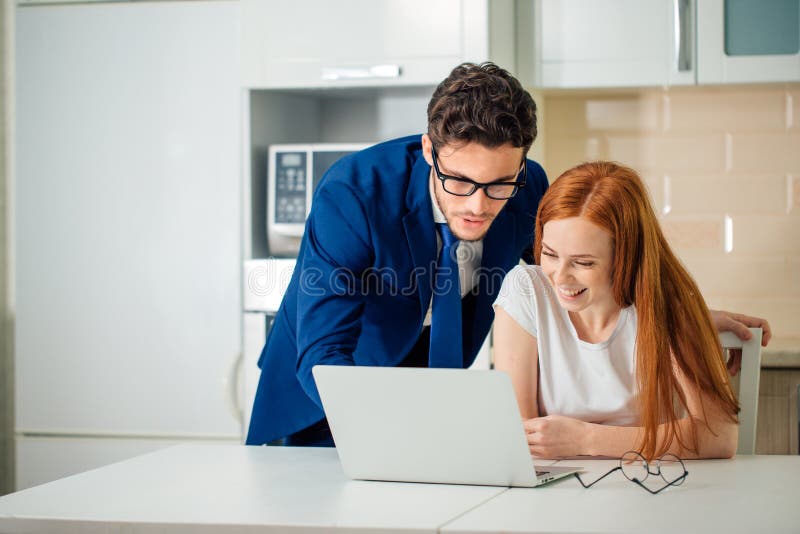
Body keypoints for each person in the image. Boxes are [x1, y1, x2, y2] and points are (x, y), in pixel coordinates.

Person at [246, 62, 550, 446]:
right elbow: (325, 352)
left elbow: (560, 281)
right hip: (330, 392)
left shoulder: (529, 186)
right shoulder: (354, 194)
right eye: (459, 180)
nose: (478, 204)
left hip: (436, 383)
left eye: (499, 184)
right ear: (429, 150)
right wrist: (385, 434)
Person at [492, 161, 772, 460]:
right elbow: (520, 437)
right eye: (549, 254)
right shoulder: (525, 290)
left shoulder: (667, 303)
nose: (560, 276)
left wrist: (586, 439)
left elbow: (718, 437)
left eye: (584, 262)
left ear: (626, 256)